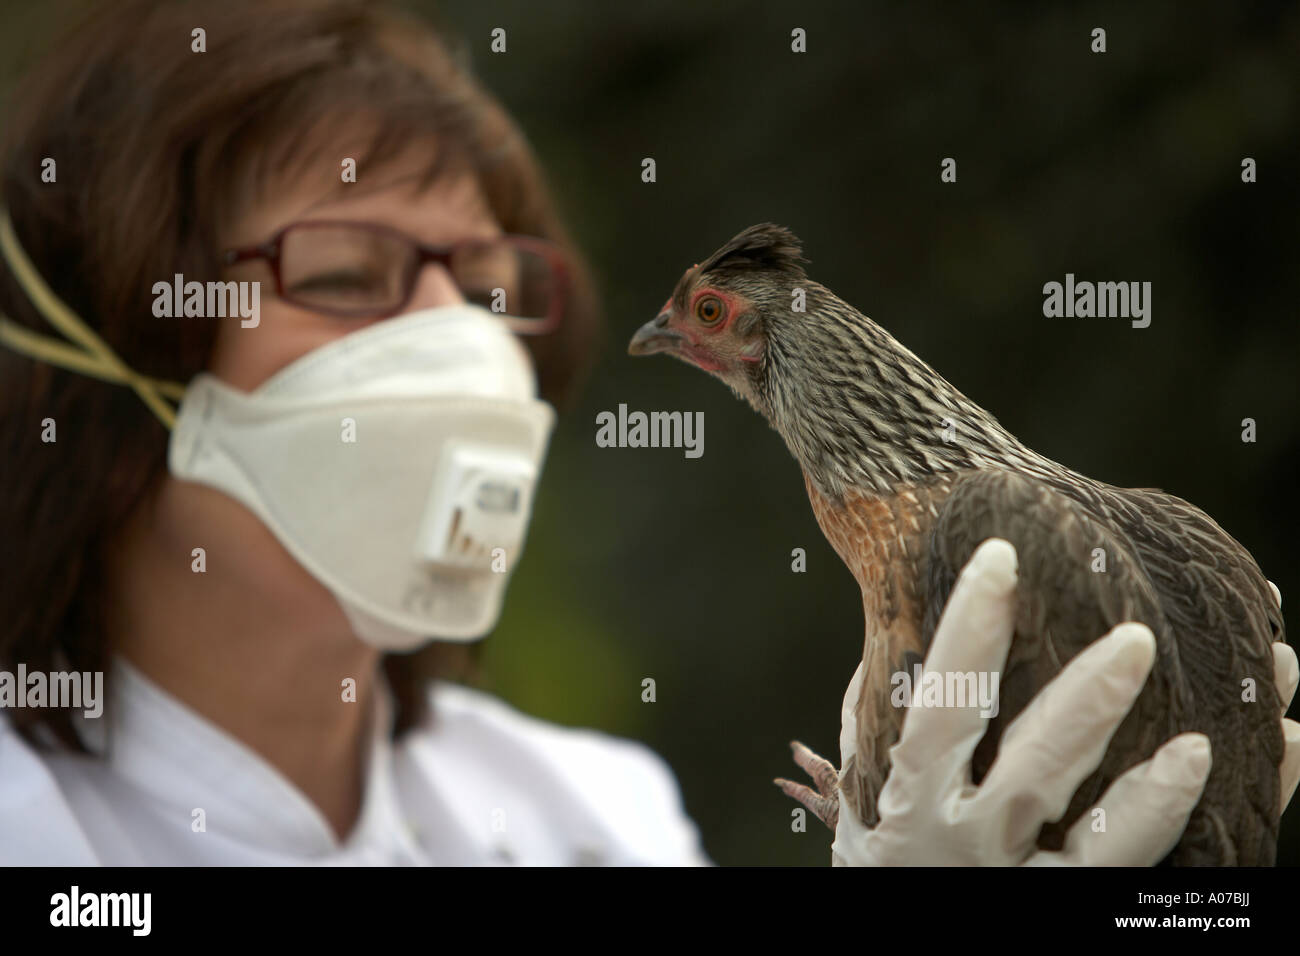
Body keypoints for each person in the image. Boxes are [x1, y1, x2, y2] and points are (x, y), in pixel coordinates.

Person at [0, 0, 1295, 867]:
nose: (461, 337)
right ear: (115, 336)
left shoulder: (595, 820)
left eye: (494, 284)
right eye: (349, 270)